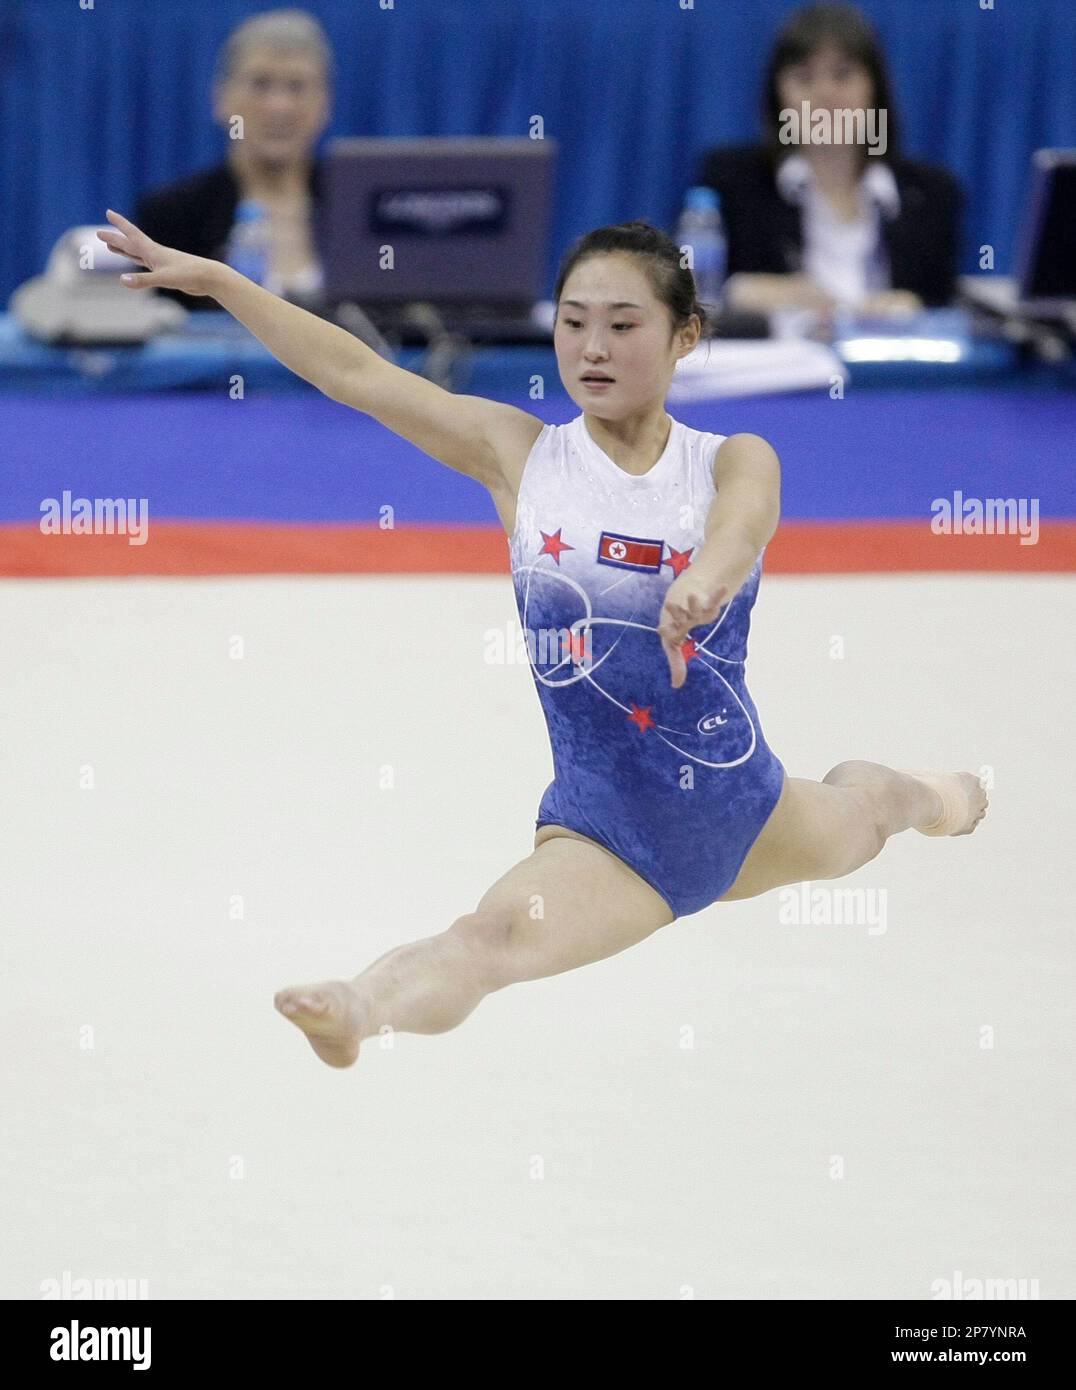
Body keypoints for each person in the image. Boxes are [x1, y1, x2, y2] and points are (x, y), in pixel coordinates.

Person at [96, 208, 988, 1070]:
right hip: (605, 837)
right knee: (488, 940)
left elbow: (743, 528)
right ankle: (362, 1010)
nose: (593, 348)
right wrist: (221, 284)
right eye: (573, 323)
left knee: (868, 812)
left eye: (623, 324)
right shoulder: (518, 455)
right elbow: (357, 376)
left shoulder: (730, 458)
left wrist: (705, 582)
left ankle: (933, 795)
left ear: (686, 336)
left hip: (746, 808)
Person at [697, 2, 963, 318]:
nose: (824, 93)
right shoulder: (732, 181)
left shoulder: (932, 194)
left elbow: (946, 308)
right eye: (804, 78)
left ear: (875, 90)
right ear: (778, 96)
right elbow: (691, 291)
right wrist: (746, 290)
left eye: (843, 74)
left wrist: (911, 306)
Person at [135, 8, 333, 312]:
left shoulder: (357, 212)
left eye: (297, 86)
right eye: (260, 84)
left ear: (324, 104)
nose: (279, 106)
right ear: (221, 98)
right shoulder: (172, 217)